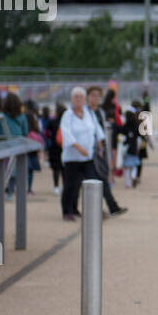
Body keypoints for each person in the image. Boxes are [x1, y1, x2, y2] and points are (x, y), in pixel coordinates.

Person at [59, 87, 104, 221]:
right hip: (72, 157)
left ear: (84, 99)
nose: (78, 99)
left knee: (91, 180)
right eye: (75, 97)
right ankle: (67, 210)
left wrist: (100, 144)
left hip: (87, 156)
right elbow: (66, 133)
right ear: (72, 99)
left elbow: (97, 129)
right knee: (70, 184)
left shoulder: (89, 113)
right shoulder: (68, 115)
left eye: (80, 97)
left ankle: (89, 209)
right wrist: (78, 147)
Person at [86, 86, 126, 216]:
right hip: (86, 152)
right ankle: (86, 210)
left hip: (100, 151)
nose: (96, 98)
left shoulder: (100, 112)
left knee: (101, 179)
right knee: (85, 182)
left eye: (98, 95)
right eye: (93, 95)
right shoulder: (84, 112)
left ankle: (111, 207)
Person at [46, 104, 65, 195]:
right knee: (64, 169)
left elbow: (46, 133)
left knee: (56, 169)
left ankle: (56, 186)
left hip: (54, 148)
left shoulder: (52, 122)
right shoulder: (67, 122)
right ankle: (65, 186)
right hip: (65, 148)